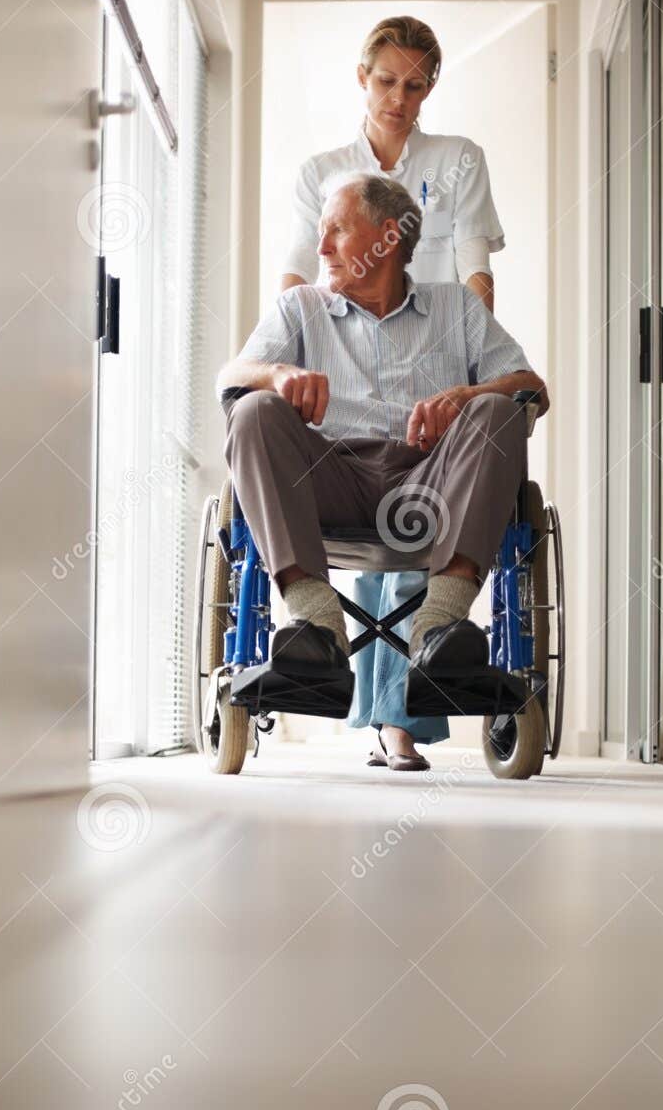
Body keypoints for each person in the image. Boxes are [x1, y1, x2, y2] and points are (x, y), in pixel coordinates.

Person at [218, 175, 547, 715]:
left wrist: (468, 395)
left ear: (388, 237)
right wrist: (277, 374)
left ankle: (439, 628)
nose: (321, 249)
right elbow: (230, 377)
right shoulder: (300, 308)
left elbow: (532, 388)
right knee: (252, 405)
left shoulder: (456, 309)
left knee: (497, 408)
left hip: (429, 486)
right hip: (327, 482)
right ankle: (318, 629)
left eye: (337, 232)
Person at [282, 15, 506, 769]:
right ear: (361, 78)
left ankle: (399, 714)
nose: (399, 98)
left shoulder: (456, 159)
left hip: (435, 349)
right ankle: (380, 703)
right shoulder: (321, 169)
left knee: (421, 511)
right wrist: (288, 360)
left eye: (415, 84)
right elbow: (298, 274)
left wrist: (465, 374)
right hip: (344, 356)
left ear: (431, 85)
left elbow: (474, 272)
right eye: (386, 81)